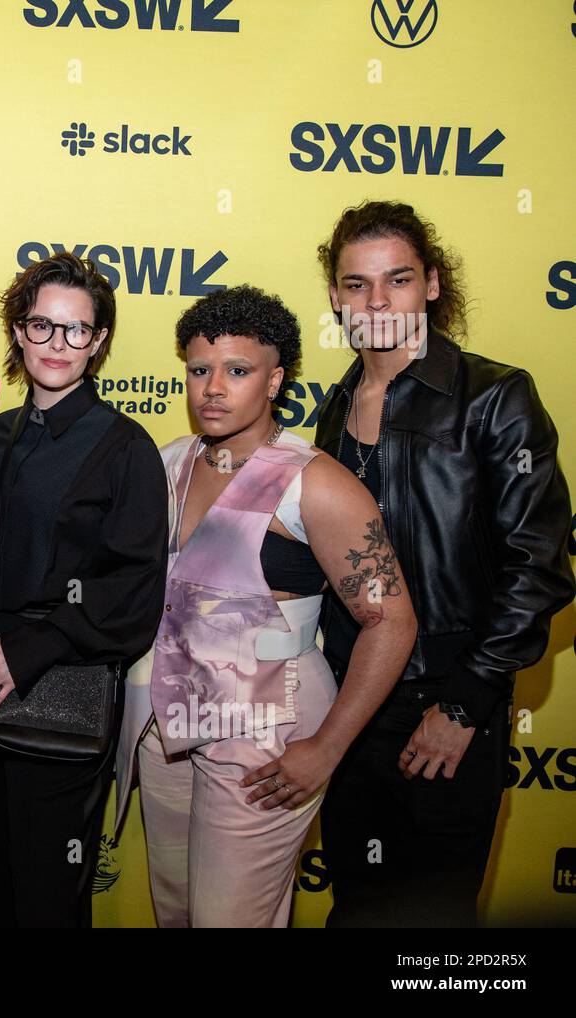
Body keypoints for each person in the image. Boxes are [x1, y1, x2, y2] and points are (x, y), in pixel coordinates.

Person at [120, 284, 418, 928]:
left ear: (276, 378)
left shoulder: (315, 481)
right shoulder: (170, 461)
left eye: (238, 370)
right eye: (200, 370)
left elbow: (391, 621)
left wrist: (328, 746)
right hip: (166, 720)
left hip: (270, 727)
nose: (213, 388)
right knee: (175, 912)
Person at [313, 200, 575, 927]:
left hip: (448, 703)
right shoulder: (332, 410)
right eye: (357, 284)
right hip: (350, 702)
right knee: (356, 907)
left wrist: (464, 704)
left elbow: (540, 563)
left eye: (396, 280)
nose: (376, 301)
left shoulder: (493, 396)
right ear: (335, 297)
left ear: (430, 283)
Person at [0, 253, 168, 928]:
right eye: (42, 326)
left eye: (76, 330)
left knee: (50, 899)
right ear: (19, 331)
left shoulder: (125, 447)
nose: (57, 345)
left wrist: (36, 645)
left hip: (62, 695)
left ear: (99, 340)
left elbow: (137, 589)